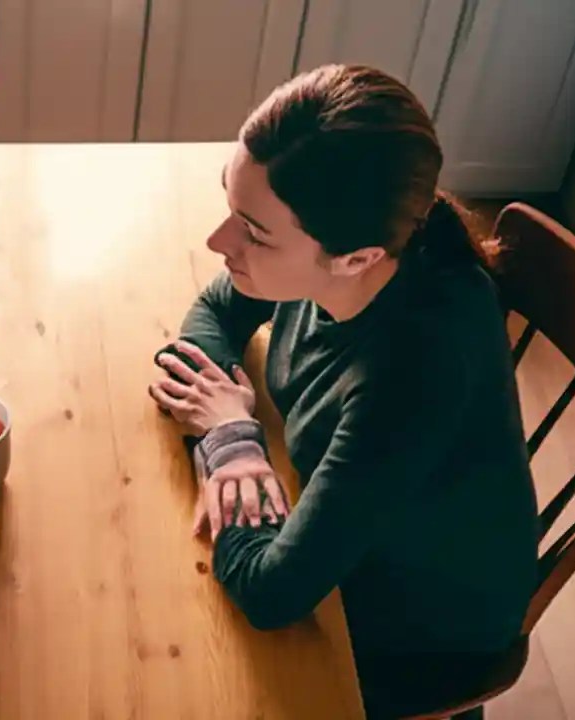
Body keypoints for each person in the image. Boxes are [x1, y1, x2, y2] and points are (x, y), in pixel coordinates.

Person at [148, 64, 538, 719]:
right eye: (231, 207)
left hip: (407, 637)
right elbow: (213, 316)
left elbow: (271, 594)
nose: (219, 242)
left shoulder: (412, 377)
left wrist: (227, 436)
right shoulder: (374, 246)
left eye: (255, 231)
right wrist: (240, 447)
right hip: (347, 517)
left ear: (356, 258)